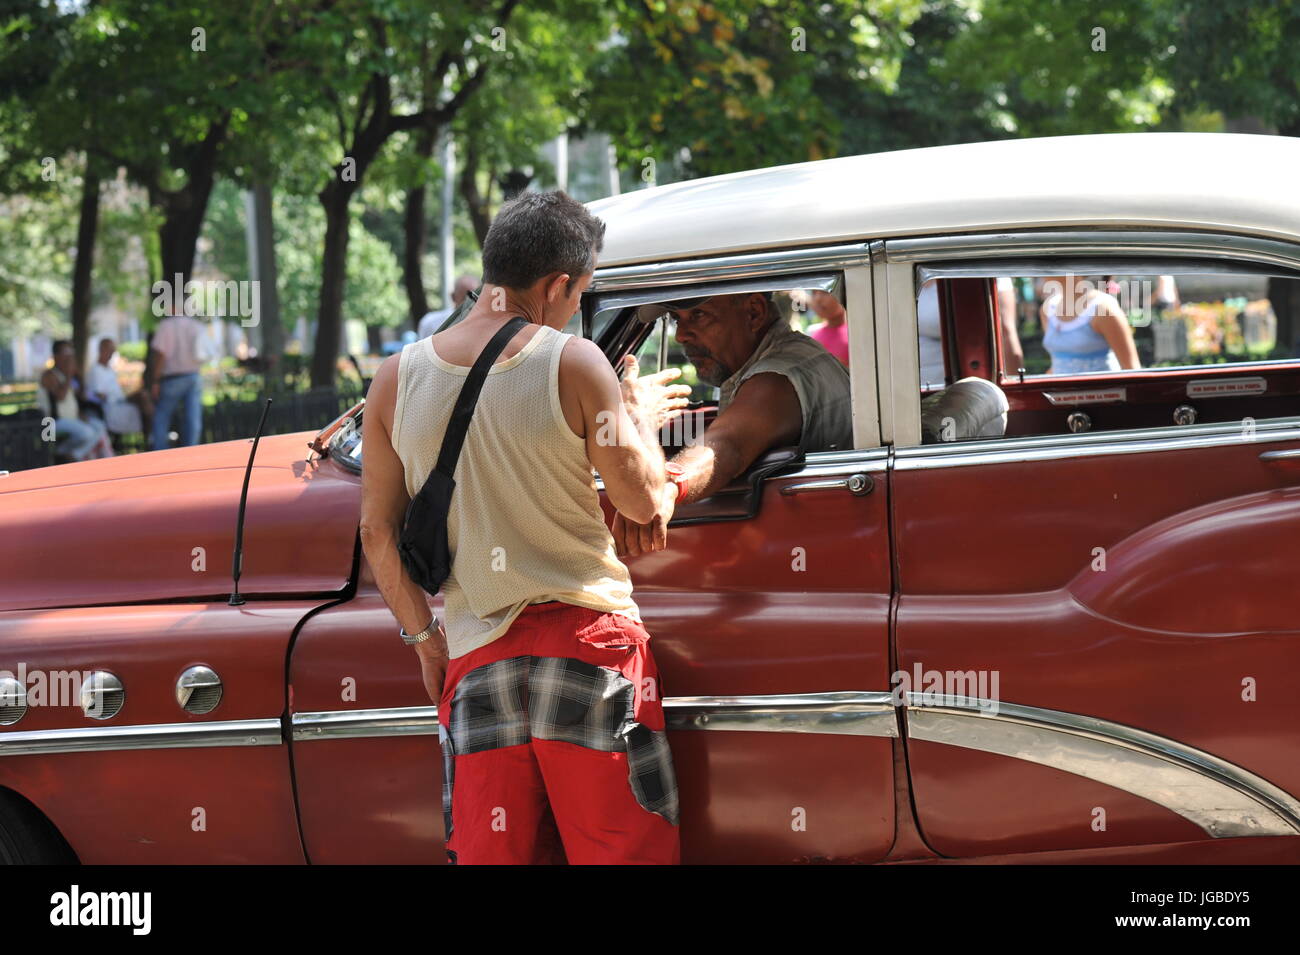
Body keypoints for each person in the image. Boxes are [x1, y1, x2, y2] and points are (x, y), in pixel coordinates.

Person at [360, 190, 682, 865]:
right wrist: (638, 412)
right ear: (558, 283)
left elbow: (376, 534)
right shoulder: (573, 362)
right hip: (590, 647)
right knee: (620, 853)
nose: (574, 311)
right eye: (579, 295)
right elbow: (648, 501)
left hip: (477, 658)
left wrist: (425, 641)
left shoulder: (395, 378)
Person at [612, 289, 852, 557]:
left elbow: (726, 444)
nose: (681, 335)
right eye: (678, 320)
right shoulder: (782, 360)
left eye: (699, 315)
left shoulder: (776, 379)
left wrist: (663, 484)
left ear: (754, 313)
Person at [1040, 274, 1140, 374]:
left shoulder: (1103, 308)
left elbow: (1131, 369)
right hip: (1060, 389)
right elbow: (1059, 364)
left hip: (1104, 389)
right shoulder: (1048, 309)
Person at [38, 340, 111, 462]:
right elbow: (60, 396)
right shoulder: (49, 375)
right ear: (55, 356)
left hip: (70, 419)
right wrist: (68, 375)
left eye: (71, 353)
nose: (69, 357)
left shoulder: (66, 375)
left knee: (99, 426)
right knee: (87, 433)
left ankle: (67, 453)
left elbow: (80, 397)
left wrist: (77, 375)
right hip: (49, 422)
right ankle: (70, 455)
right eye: (66, 352)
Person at [148, 305, 207, 449]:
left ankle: (160, 451)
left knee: (162, 416)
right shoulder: (196, 326)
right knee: (193, 418)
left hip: (173, 378)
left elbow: (161, 354)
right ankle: (190, 450)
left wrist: (155, 380)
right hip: (193, 376)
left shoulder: (167, 326)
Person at [87, 337, 152, 441]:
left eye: (113, 350)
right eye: (110, 349)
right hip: (111, 406)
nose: (112, 353)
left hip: (120, 401)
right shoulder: (95, 370)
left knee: (144, 396)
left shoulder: (109, 369)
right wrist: (112, 397)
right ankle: (151, 435)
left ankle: (151, 433)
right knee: (143, 399)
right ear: (102, 350)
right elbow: (97, 394)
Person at [417, 274, 480, 339]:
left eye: (474, 298)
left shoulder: (485, 326)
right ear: (453, 297)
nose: (470, 304)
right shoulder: (430, 323)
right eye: (464, 298)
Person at [806, 288, 849, 365]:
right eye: (814, 292)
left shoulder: (854, 335)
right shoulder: (812, 334)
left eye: (825, 292)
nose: (817, 299)